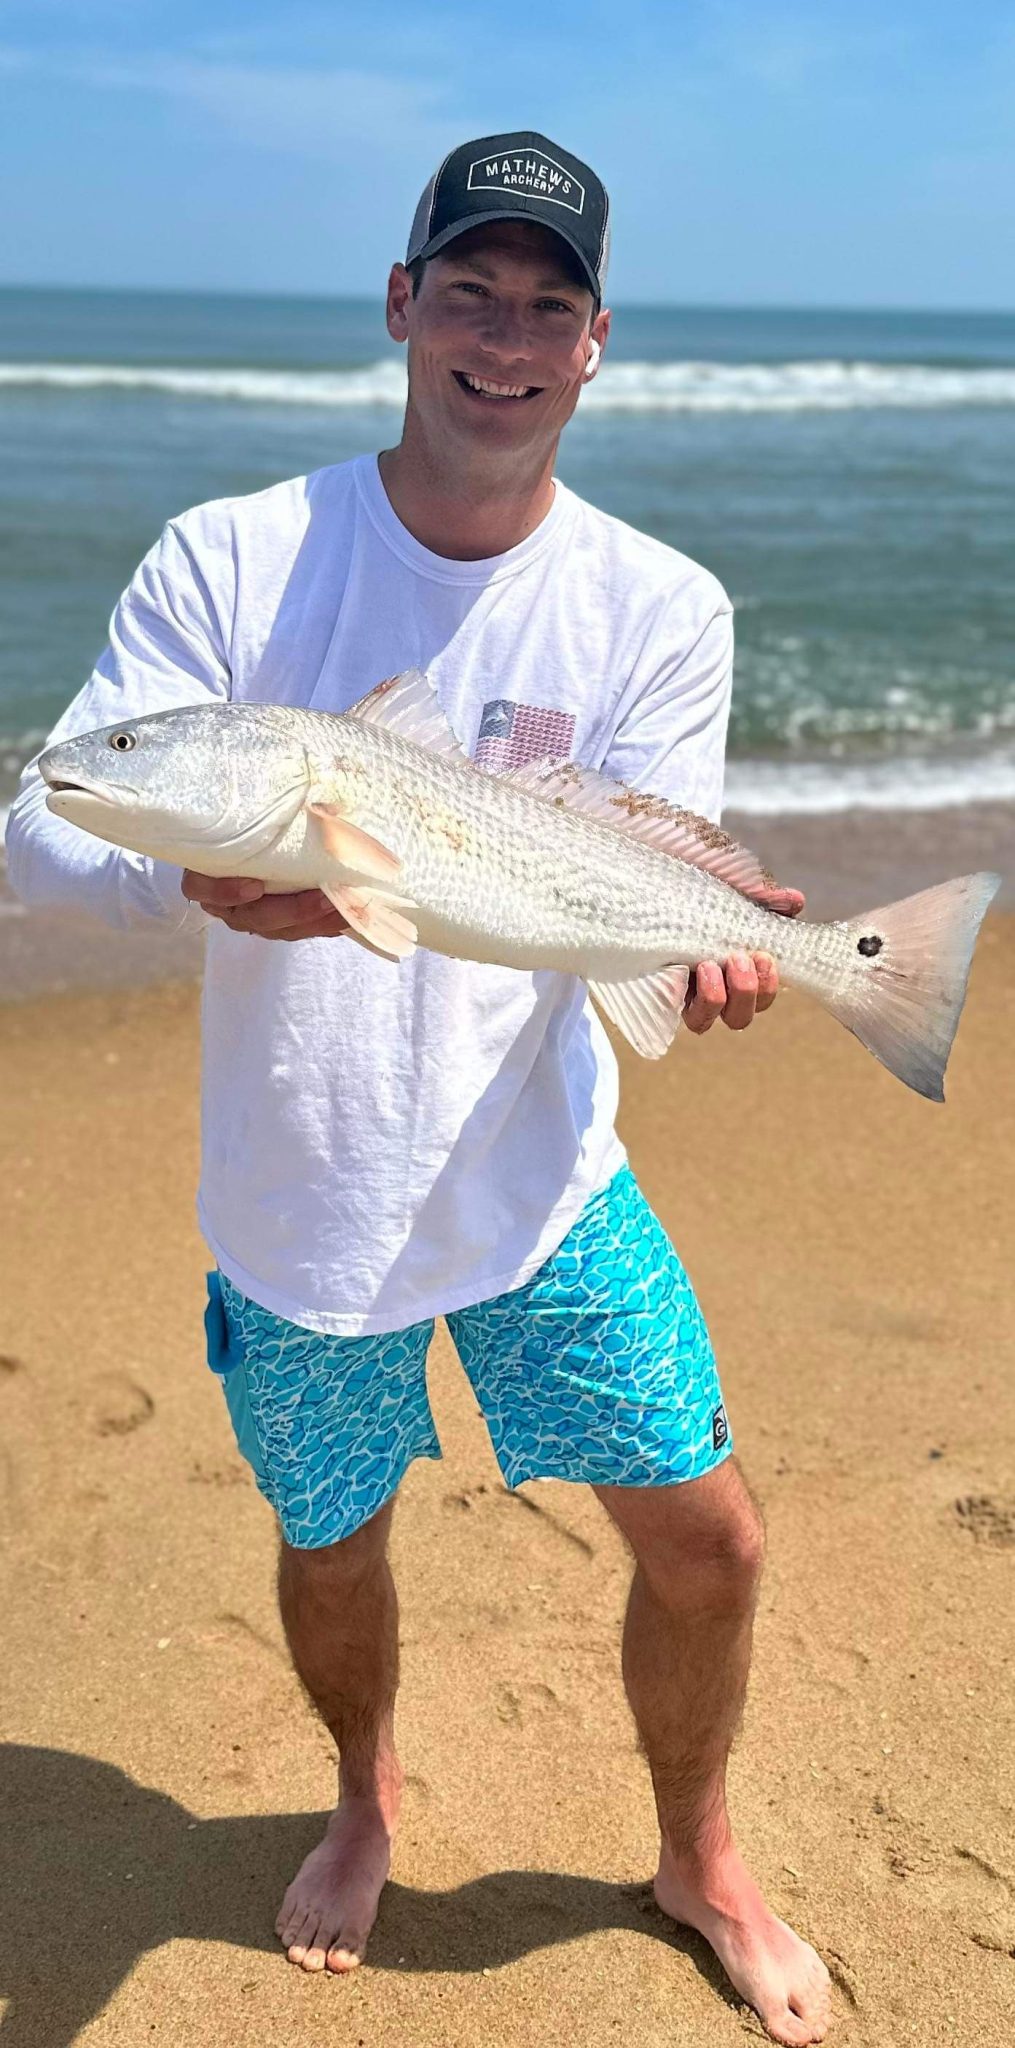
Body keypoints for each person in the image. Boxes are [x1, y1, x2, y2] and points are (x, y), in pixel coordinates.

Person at [7, 131, 831, 2045]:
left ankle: (697, 1853)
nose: (503, 336)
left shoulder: (659, 605)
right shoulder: (232, 558)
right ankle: (365, 1793)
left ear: (598, 342)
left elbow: (649, 859)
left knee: (711, 1543)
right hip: (300, 1203)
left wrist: (704, 953)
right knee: (332, 1546)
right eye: (469, 288)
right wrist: (187, 871)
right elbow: (44, 818)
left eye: (547, 305)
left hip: (543, 1184)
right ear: (401, 302)